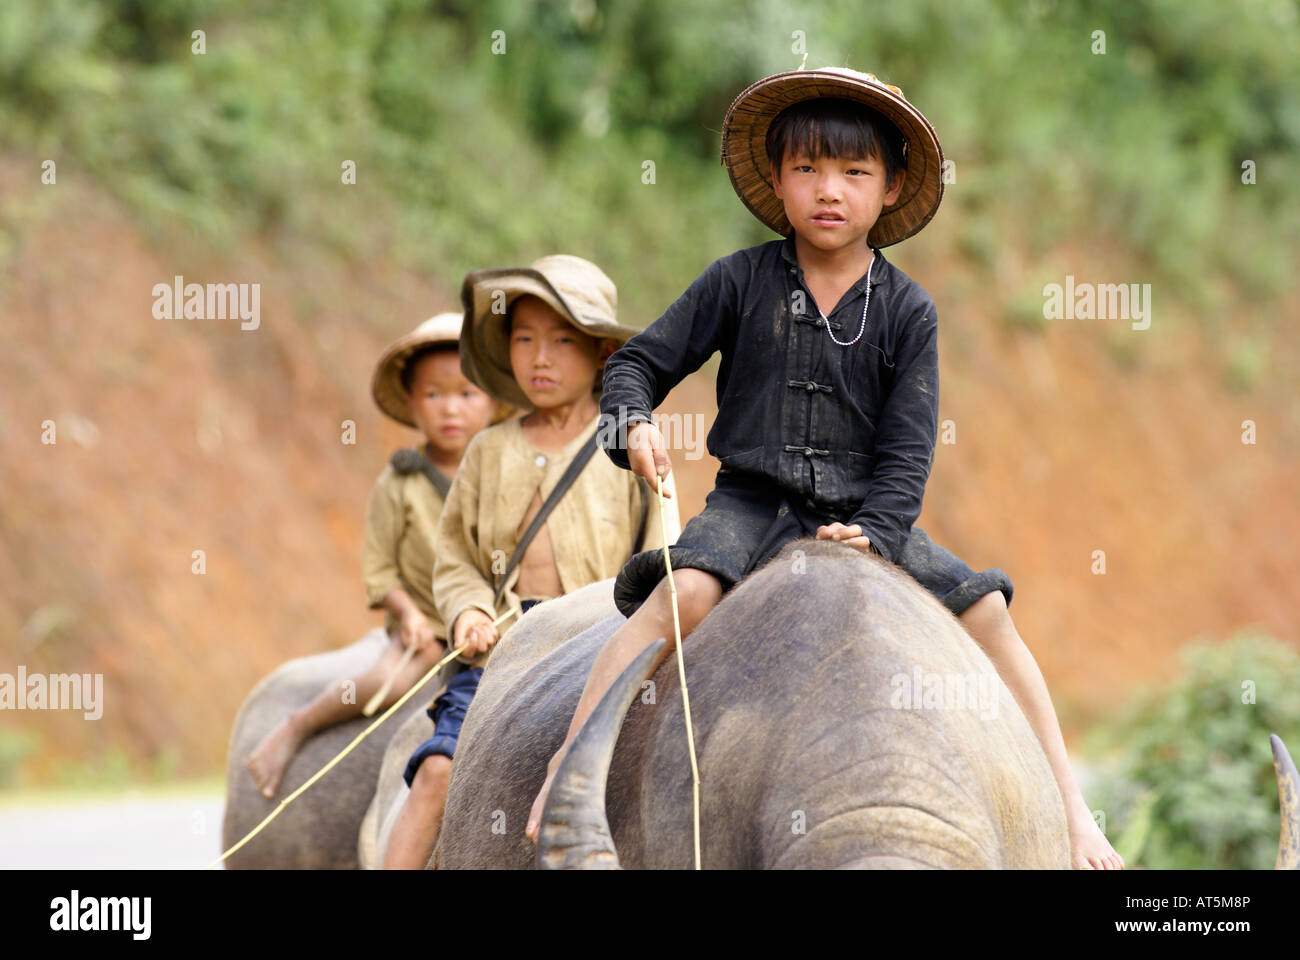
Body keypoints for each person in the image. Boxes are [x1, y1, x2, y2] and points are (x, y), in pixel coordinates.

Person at [526, 67, 1124, 870]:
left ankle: (1072, 816)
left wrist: (877, 532)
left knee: (992, 619)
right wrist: (631, 424)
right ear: (776, 182)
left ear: (891, 187)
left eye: (853, 172)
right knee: (682, 597)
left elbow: (909, 447)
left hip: (866, 518)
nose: (828, 191)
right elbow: (635, 363)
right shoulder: (737, 282)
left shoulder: (908, 311)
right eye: (806, 169)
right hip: (750, 508)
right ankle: (567, 775)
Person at [382, 255, 680, 868]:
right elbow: (458, 557)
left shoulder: (630, 446)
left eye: (561, 340)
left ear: (601, 352)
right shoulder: (488, 452)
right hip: (498, 653)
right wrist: (466, 614)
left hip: (601, 650)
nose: (539, 358)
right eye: (524, 339)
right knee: (438, 770)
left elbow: (663, 560)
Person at [246, 313, 499, 799]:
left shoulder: (504, 476)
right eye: (434, 394)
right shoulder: (399, 482)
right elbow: (380, 571)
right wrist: (408, 616)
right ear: (411, 404)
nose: (451, 409)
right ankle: (296, 727)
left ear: (493, 402)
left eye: (466, 394)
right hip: (426, 626)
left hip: (489, 623)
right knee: (389, 678)